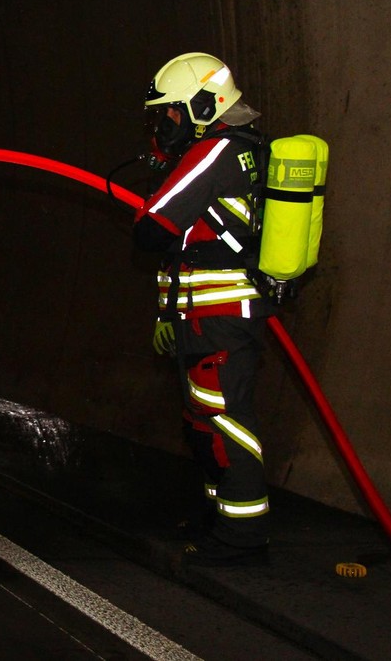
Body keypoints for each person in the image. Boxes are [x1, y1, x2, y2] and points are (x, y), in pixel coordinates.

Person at [132, 53, 272, 566]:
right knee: (203, 420)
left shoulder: (216, 151)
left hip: (220, 315)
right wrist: (168, 312)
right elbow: (189, 242)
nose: (166, 124)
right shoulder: (232, 150)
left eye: (171, 112)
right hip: (202, 313)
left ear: (204, 103)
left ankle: (243, 535)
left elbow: (155, 228)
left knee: (226, 419)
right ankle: (221, 516)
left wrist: (154, 204)